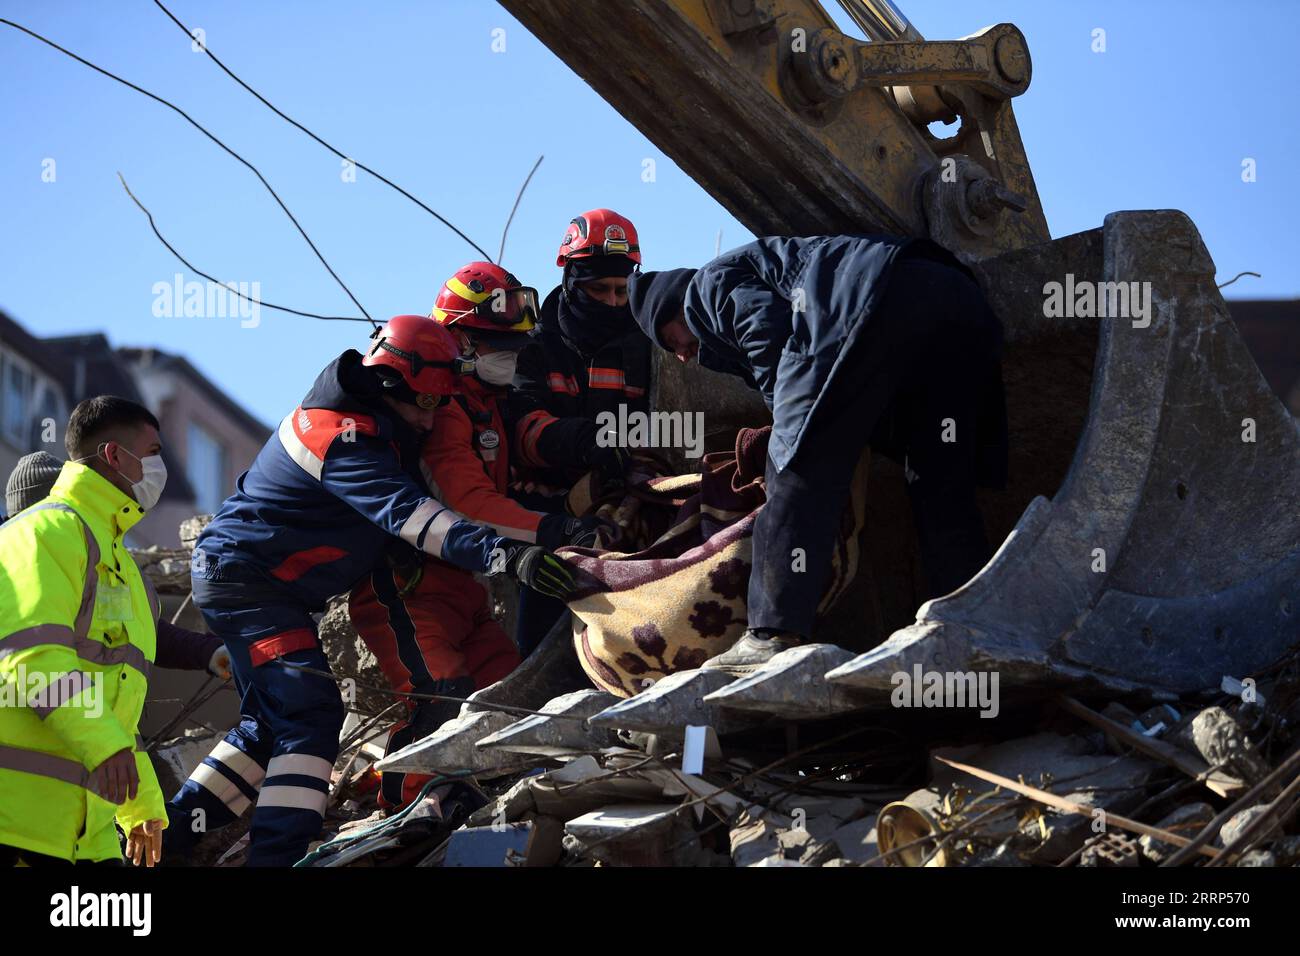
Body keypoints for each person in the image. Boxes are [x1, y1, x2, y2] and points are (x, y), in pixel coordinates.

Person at [165, 315, 578, 866]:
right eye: (426, 406)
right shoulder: (342, 438)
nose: (431, 422)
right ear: (390, 388)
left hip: (254, 583)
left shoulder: (375, 427)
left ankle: (170, 841)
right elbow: (412, 517)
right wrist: (508, 554)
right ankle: (275, 858)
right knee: (310, 716)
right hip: (248, 584)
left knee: (265, 728)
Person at [628, 235, 1008, 675]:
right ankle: (971, 621)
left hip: (874, 301)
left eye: (667, 338)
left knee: (792, 469)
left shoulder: (705, 288)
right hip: (954, 302)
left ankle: (771, 634)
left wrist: (787, 434)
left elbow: (765, 333)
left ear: (672, 309)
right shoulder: (758, 271)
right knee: (938, 484)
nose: (678, 356)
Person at [349, 264, 602, 807]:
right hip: (410, 588)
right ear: (455, 337)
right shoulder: (437, 407)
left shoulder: (485, 399)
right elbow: (466, 505)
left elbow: (518, 453)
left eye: (511, 342)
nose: (505, 353)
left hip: (468, 592)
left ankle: (477, 806)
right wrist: (554, 530)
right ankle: (400, 816)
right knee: (439, 705)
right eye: (490, 342)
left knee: (514, 708)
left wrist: (585, 448)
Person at [0, 397, 178, 866]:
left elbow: (117, 710)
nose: (161, 466)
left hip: (88, 836)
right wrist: (107, 746)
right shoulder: (41, 532)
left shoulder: (122, 565)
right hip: (16, 823)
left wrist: (139, 806)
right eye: (153, 450)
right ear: (115, 456)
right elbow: (32, 660)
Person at [508, 209, 647, 650]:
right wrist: (588, 441)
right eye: (598, 289)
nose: (611, 301)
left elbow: (665, 421)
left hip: (620, 489)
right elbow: (523, 430)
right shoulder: (534, 344)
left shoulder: (647, 344)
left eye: (621, 291)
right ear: (570, 280)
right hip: (541, 500)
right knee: (550, 571)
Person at [5, 450, 233, 681]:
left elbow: (137, 628)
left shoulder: (94, 567)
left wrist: (209, 652)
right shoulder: (17, 570)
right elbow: (37, 664)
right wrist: (85, 715)